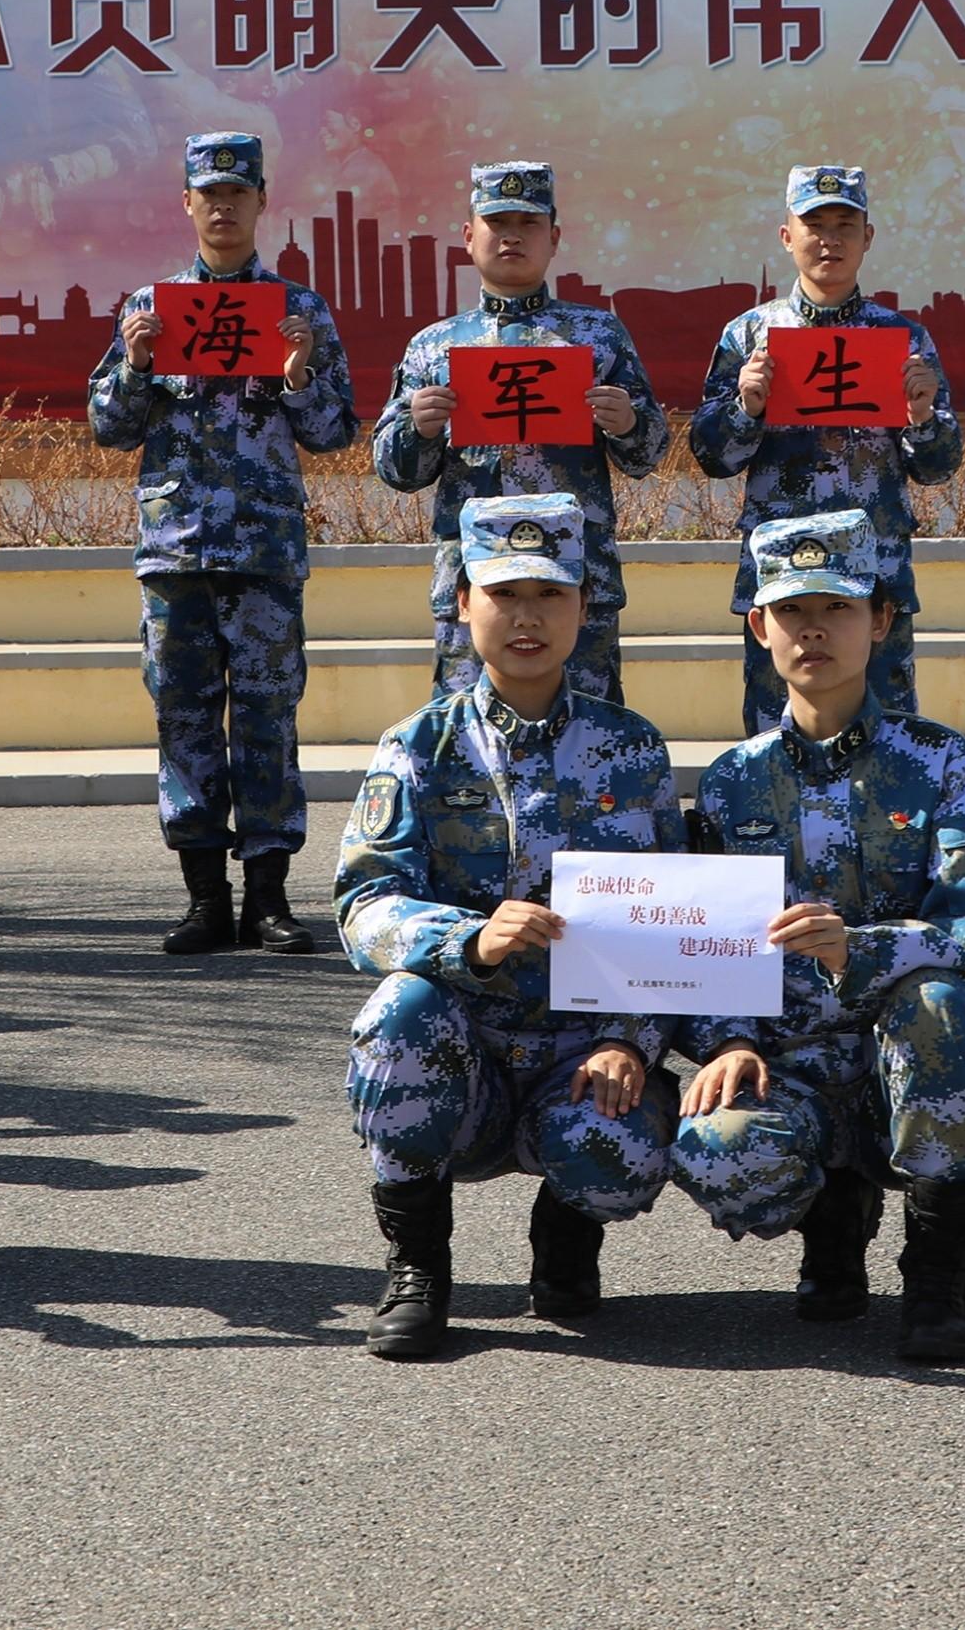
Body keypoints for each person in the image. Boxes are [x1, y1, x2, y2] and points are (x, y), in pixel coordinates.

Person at [335, 493, 683, 1361]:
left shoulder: (631, 749)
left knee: (621, 1148)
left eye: (550, 595)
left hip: (578, 1055)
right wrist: (465, 939)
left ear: (582, 606)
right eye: (503, 594)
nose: (527, 617)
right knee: (397, 1014)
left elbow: (673, 920)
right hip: (466, 1047)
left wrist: (630, 1042)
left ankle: (566, 1237)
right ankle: (418, 1265)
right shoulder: (419, 745)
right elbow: (364, 903)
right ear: (462, 602)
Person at [672, 511, 965, 1363]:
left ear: (883, 620)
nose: (813, 629)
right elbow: (697, 944)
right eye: (791, 611)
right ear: (760, 627)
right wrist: (726, 1041)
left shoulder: (940, 762)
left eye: (837, 605)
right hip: (788, 1055)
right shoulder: (732, 781)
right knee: (713, 1146)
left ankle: (937, 1272)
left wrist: (858, 948)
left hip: (902, 1048)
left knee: (942, 1007)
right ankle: (832, 1222)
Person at [89, 131, 357, 957]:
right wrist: (134, 364)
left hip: (265, 549)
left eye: (238, 193)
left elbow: (335, 430)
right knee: (185, 719)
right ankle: (205, 896)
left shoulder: (297, 310)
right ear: (187, 204)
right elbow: (108, 424)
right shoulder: (153, 307)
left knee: (270, 718)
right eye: (208, 193)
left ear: (262, 201)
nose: (223, 207)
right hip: (176, 551)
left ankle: (268, 897)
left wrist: (298, 375)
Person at [369, 162, 670, 705]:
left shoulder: (597, 335)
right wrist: (420, 428)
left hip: (573, 577)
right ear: (469, 236)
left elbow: (648, 453)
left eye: (528, 223)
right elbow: (396, 470)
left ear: (553, 238)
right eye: (497, 221)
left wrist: (627, 423)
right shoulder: (435, 346)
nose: (512, 235)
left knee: (588, 736)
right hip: (478, 582)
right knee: (467, 743)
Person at [686, 164, 963, 735]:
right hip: (782, 575)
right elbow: (712, 457)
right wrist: (747, 408)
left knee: (886, 741)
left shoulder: (903, 340)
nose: (829, 239)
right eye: (814, 224)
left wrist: (920, 417)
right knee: (774, 739)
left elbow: (938, 467)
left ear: (868, 237)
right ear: (787, 236)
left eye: (845, 224)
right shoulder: (748, 336)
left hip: (871, 576)